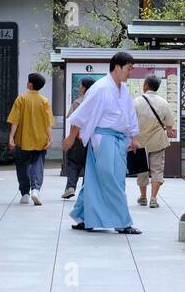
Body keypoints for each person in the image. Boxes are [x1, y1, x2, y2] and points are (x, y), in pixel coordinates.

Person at [61, 51, 141, 234]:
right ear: (118, 67)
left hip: (118, 140)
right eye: (129, 69)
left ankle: (83, 216)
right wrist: (71, 137)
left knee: (97, 179)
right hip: (103, 140)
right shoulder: (100, 88)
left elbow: (130, 115)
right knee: (111, 179)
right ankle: (122, 222)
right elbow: (81, 116)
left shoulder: (124, 89)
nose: (130, 72)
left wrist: (134, 137)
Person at [7, 72, 53, 205]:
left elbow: (14, 120)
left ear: (30, 84)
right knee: (38, 165)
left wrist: (11, 137)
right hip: (40, 139)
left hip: (23, 140)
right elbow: (47, 123)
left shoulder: (21, 99)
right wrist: (50, 139)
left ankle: (25, 193)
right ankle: (36, 190)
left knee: (22, 166)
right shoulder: (45, 101)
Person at [134, 76, 177, 208]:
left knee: (142, 169)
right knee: (157, 170)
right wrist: (168, 131)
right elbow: (170, 126)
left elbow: (130, 123)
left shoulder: (136, 102)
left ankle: (143, 197)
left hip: (140, 142)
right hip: (158, 141)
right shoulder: (163, 103)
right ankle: (153, 198)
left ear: (146, 85)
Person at [62, 76, 96, 199]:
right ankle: (85, 190)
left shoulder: (78, 102)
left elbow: (74, 122)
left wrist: (71, 138)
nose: (79, 88)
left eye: (81, 86)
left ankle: (70, 187)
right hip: (93, 139)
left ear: (85, 88)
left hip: (78, 138)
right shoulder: (98, 102)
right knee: (89, 165)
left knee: (73, 163)